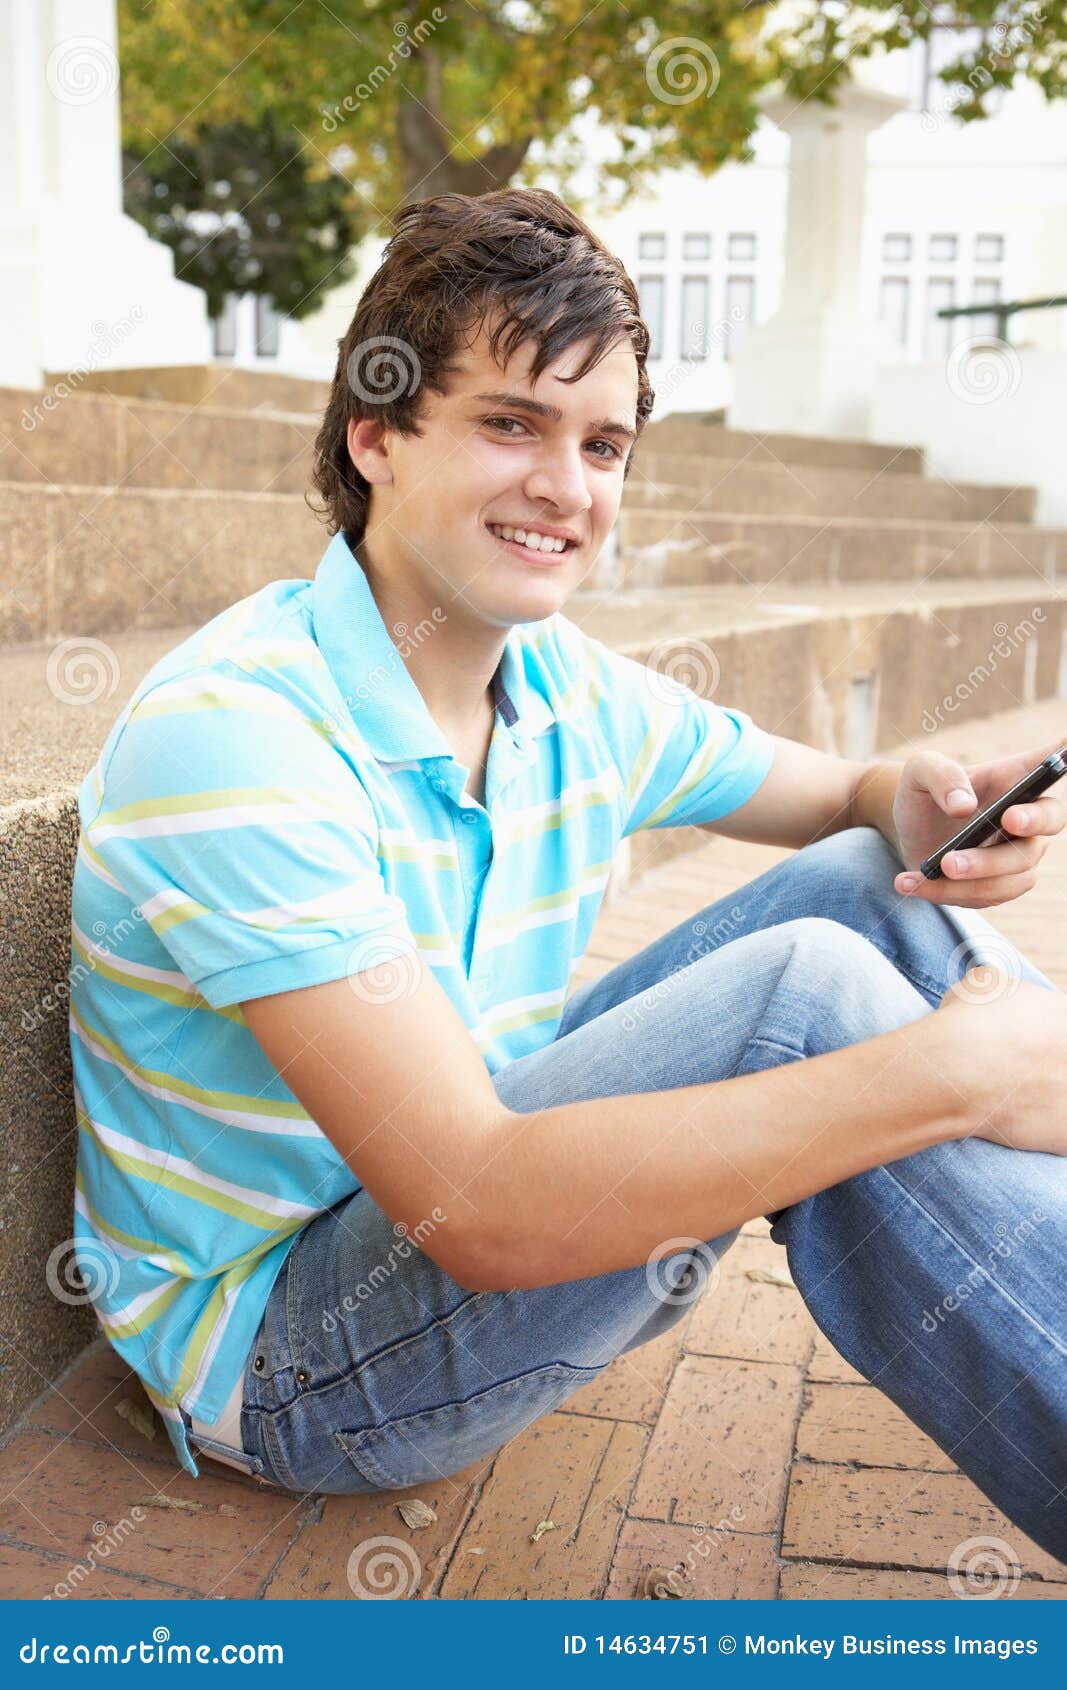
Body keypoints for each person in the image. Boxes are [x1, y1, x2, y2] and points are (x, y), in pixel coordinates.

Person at [70, 188, 1067, 1563]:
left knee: (856, 882)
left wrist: (915, 798)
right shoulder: (239, 737)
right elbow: (473, 1207)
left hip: (468, 1181)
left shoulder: (558, 685)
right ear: (376, 433)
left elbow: (843, 799)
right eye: (511, 424)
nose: (567, 487)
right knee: (809, 998)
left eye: (603, 444)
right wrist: (962, 1078)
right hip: (294, 1359)